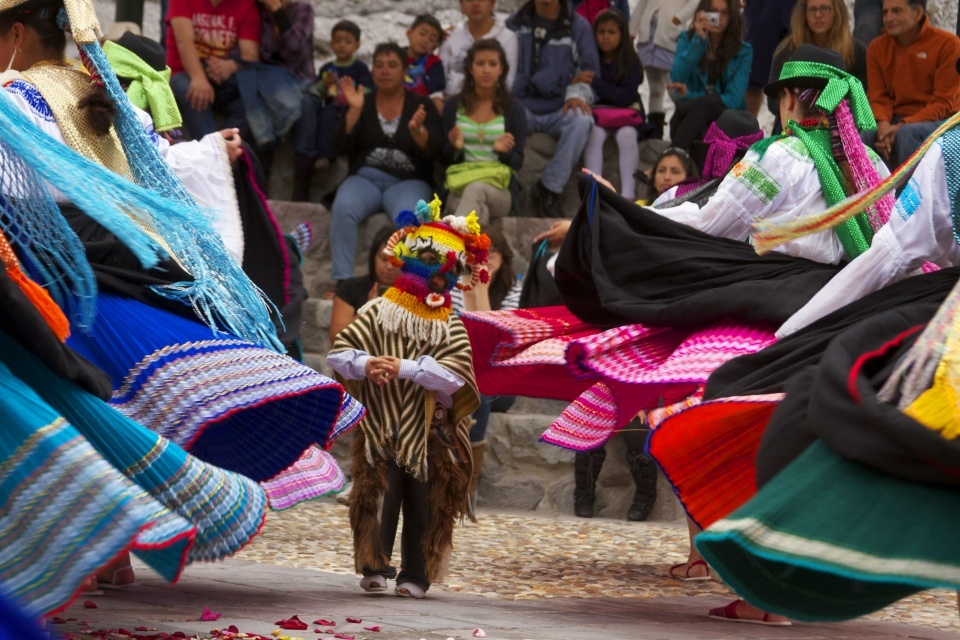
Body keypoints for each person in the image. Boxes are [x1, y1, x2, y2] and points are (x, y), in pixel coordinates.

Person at [0, 0, 360, 546]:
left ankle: (95, 547)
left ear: (17, 34)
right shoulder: (102, 94)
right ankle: (121, 549)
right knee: (120, 410)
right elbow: (158, 172)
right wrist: (211, 152)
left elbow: (19, 196)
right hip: (130, 259)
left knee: (74, 406)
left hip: (58, 269)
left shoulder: (12, 99)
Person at [329, 198, 485, 600]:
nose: (440, 274)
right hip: (380, 423)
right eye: (432, 260)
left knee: (426, 501)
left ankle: (417, 572)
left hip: (431, 429)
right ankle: (373, 565)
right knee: (376, 494)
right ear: (411, 258)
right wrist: (365, 364)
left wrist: (408, 368)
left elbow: (456, 377)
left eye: (450, 267)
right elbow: (339, 354)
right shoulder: (376, 310)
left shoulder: (450, 323)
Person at [328, 42, 443, 294]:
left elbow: (437, 152)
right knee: (344, 207)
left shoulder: (421, 103)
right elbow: (338, 146)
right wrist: (354, 110)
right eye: (379, 65)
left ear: (404, 71)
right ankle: (342, 282)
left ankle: (407, 286)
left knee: (410, 219)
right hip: (365, 178)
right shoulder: (362, 101)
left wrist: (418, 132)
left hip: (409, 181)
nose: (384, 71)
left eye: (392, 65)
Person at [507, 0, 599, 217]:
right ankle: (509, 185)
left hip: (561, 106)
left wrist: (576, 94)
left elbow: (589, 73)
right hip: (520, 106)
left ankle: (550, 188)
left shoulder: (578, 26)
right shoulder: (515, 24)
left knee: (581, 121)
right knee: (497, 119)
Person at [860, 0, 960, 168]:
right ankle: (860, 186)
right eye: (885, 12)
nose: (888, 18)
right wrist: (883, 125)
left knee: (907, 134)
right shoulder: (877, 48)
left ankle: (906, 186)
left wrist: (902, 125)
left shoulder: (948, 44)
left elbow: (943, 104)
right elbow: (877, 96)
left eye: (896, 11)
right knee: (863, 134)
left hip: (941, 121)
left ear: (918, 13)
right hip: (895, 120)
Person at [441, 38, 527, 224]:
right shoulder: (453, 106)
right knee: (477, 213)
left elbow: (517, 162)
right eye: (480, 63)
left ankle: (449, 241)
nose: (486, 70)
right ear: (470, 68)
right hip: (459, 185)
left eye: (492, 64)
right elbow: (443, 160)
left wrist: (502, 152)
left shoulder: (514, 109)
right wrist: (455, 147)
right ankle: (472, 241)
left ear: (501, 69)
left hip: (498, 190)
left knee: (475, 189)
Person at [290, 20, 373, 201]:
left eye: (347, 41)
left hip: (347, 111)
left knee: (331, 113)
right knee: (325, 112)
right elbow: (315, 93)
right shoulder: (327, 69)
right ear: (331, 44)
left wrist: (352, 91)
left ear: (357, 45)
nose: (342, 45)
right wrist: (324, 84)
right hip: (328, 107)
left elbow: (369, 90)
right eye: (338, 41)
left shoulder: (360, 68)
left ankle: (326, 155)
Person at [768, 0, 868, 136]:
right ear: (804, 14)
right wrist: (805, 111)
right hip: (794, 119)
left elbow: (862, 97)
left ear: (837, 12)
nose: (818, 15)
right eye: (812, 9)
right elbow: (773, 99)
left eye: (824, 8)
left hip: (843, 122)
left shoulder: (856, 51)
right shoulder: (787, 49)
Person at [166, 0, 260, 140]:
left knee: (252, 103)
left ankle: (222, 147)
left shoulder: (246, 5)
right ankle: (210, 149)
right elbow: (184, 42)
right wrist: (199, 78)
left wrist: (231, 65)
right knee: (196, 95)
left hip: (221, 76)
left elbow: (250, 54)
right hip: (184, 72)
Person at [667, 0, 752, 151]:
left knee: (701, 124)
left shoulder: (743, 51)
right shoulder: (687, 39)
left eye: (724, 13)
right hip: (691, 117)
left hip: (725, 117)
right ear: (702, 12)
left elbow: (733, 100)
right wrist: (699, 40)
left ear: (732, 17)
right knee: (693, 126)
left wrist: (690, 96)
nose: (718, 17)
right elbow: (677, 76)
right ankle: (676, 157)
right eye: (713, 11)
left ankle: (672, 154)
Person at [582, 9, 645, 200]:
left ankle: (628, 195)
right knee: (593, 134)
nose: (606, 37)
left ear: (622, 34)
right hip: (599, 118)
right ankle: (594, 192)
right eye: (601, 32)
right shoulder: (590, 59)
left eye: (611, 32)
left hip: (626, 117)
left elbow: (626, 97)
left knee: (627, 136)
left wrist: (597, 84)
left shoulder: (631, 61)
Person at [652, 109, 760, 205]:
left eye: (675, 171)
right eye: (661, 170)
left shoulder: (672, 195)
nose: (667, 177)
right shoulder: (763, 204)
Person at [629, 0, 699, 139]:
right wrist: (631, 33)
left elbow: (696, 2)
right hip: (648, 39)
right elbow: (640, 7)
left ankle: (685, 130)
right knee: (655, 89)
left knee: (674, 89)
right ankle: (655, 134)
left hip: (670, 38)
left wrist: (679, 17)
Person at [330, 225, 401, 343]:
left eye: (396, 261)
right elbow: (336, 339)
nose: (389, 267)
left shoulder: (417, 294)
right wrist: (366, 311)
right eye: (384, 259)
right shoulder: (350, 288)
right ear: (373, 257)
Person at [439, 0, 518, 100]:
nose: (475, 4)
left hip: (491, 103)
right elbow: (439, 78)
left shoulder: (507, 38)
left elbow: (507, 82)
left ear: (492, 3)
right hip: (450, 102)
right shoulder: (451, 38)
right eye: (469, 0)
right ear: (461, 5)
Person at [741, 0, 794, 117]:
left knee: (799, 80)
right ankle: (747, 126)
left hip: (803, 8)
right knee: (753, 78)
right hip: (763, 8)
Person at [404, 14, 446, 111]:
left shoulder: (433, 63)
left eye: (431, 40)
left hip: (421, 108)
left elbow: (436, 91)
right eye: (422, 34)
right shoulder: (395, 57)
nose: (425, 40)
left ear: (434, 47)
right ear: (409, 33)